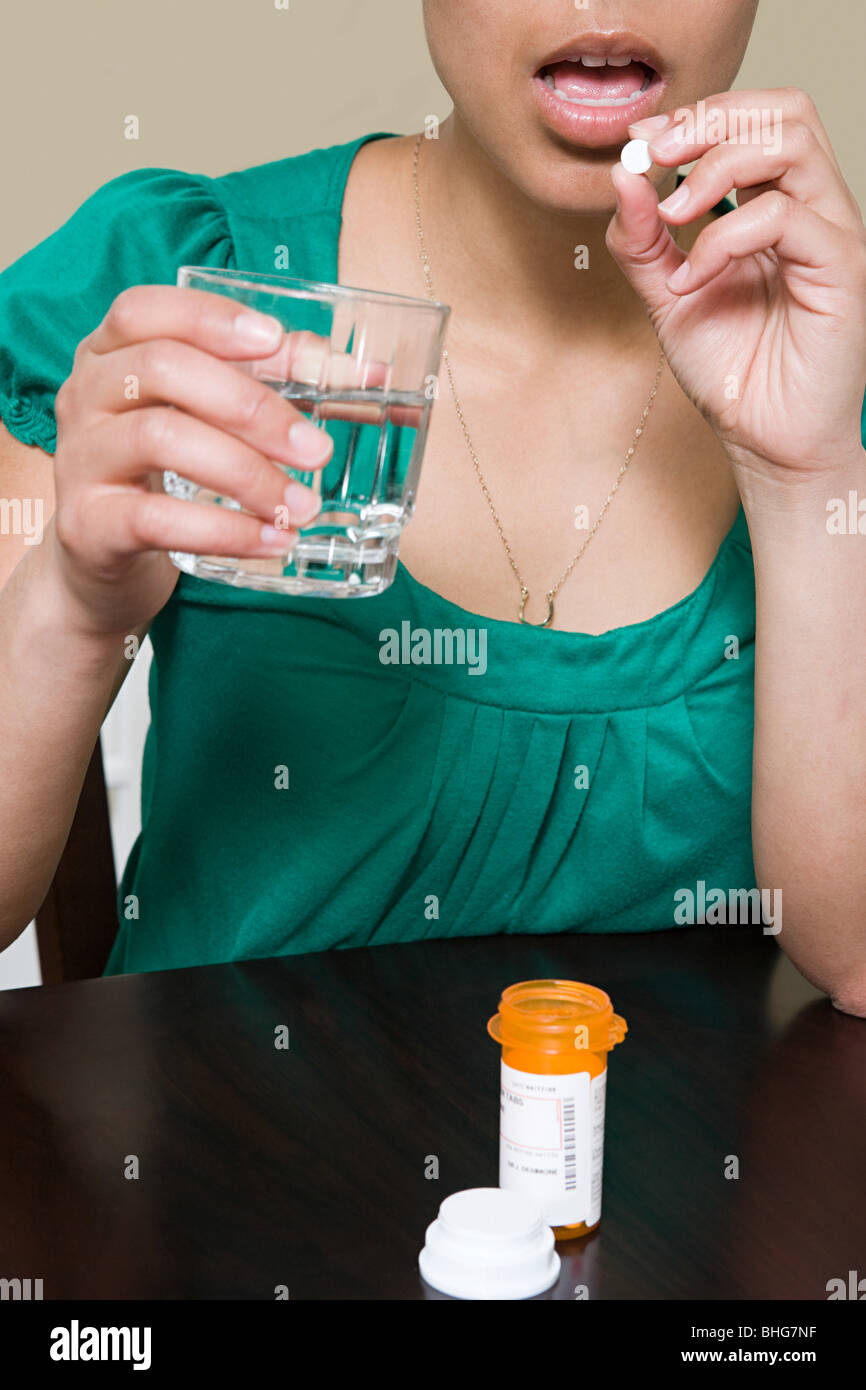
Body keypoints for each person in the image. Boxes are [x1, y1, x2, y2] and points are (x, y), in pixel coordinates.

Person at [0, 1, 864, 1008]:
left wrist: (805, 478)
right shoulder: (187, 282)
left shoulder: (824, 342)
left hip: (662, 1152)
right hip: (219, 1145)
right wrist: (71, 607)